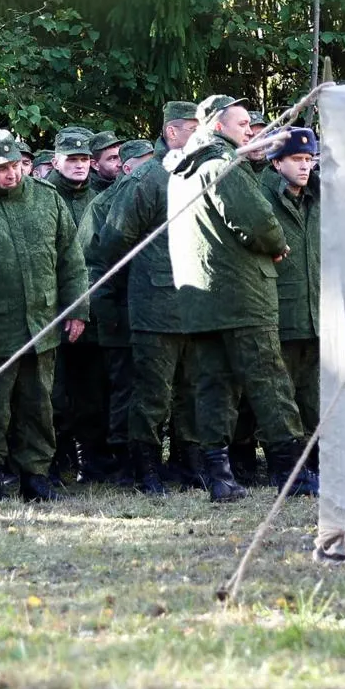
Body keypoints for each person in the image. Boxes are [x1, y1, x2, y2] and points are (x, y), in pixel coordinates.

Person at [163, 94, 305, 502]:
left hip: (201, 300)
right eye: (242, 124)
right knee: (269, 381)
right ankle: (292, 474)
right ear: (217, 126)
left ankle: (219, 476)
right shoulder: (223, 163)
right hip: (243, 294)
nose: (249, 131)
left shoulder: (181, 170)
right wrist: (278, 244)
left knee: (212, 386)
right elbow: (257, 221)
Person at [0, 129, 87, 502]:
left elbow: (71, 258)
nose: (11, 173)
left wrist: (77, 308)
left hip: (42, 326)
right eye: (1, 167)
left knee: (38, 407)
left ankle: (35, 479)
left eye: (15, 165)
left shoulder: (46, 198)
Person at [101, 101, 202, 493]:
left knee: (193, 390)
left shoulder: (203, 171)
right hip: (156, 306)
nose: (200, 136)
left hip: (198, 303)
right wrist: (144, 276)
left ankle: (190, 465)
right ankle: (146, 469)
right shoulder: (147, 177)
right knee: (152, 394)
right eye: (193, 129)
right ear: (172, 132)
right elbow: (114, 241)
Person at [81, 139, 165, 493]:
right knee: (124, 390)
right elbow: (93, 264)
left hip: (154, 309)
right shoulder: (103, 206)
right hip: (119, 311)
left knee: (152, 387)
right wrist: (108, 313)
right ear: (129, 168)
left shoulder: (157, 195)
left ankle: (151, 459)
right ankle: (122, 462)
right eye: (142, 163)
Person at [44, 128, 107, 483]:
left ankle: (89, 460)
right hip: (51, 309)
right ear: (56, 161)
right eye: (72, 160)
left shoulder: (99, 196)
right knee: (54, 394)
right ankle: (53, 459)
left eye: (84, 159)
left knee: (90, 391)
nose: (79, 165)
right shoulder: (43, 197)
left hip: (92, 309)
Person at [264, 127, 321, 495]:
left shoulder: (321, 198)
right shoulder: (263, 199)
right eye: (297, 159)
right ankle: (283, 466)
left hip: (317, 315)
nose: (305, 166)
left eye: (309, 159)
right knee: (279, 396)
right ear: (276, 163)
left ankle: (315, 464)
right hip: (279, 313)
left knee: (314, 397)